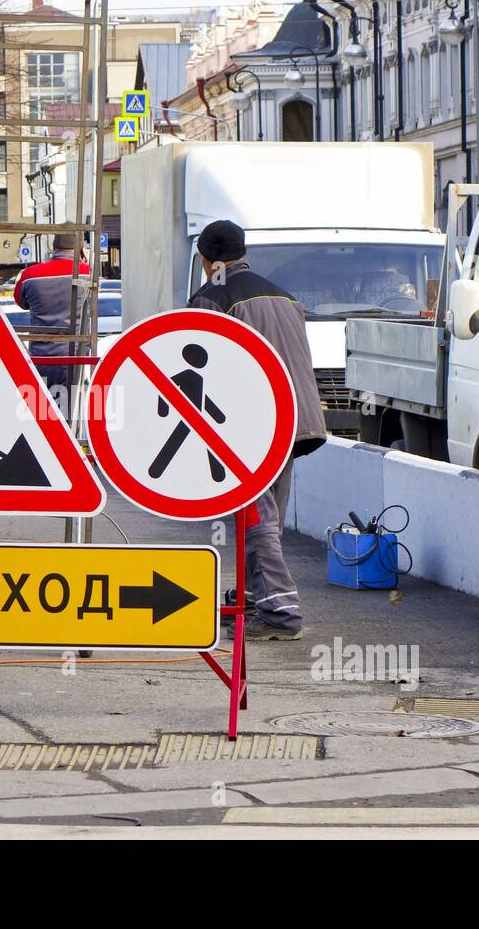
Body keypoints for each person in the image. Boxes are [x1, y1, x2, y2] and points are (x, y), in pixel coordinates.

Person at [189, 219, 327, 640]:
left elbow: (198, 360)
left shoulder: (213, 297)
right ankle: (254, 599)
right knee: (268, 517)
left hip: (252, 426)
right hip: (297, 420)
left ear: (206, 259)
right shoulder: (283, 294)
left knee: (256, 517)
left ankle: (282, 612)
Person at [12, 232, 93, 414]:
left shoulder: (30, 274)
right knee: (70, 415)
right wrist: (86, 261)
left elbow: (20, 301)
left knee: (41, 415)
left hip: (41, 358)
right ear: (80, 250)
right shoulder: (88, 274)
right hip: (74, 358)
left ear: (54, 248)